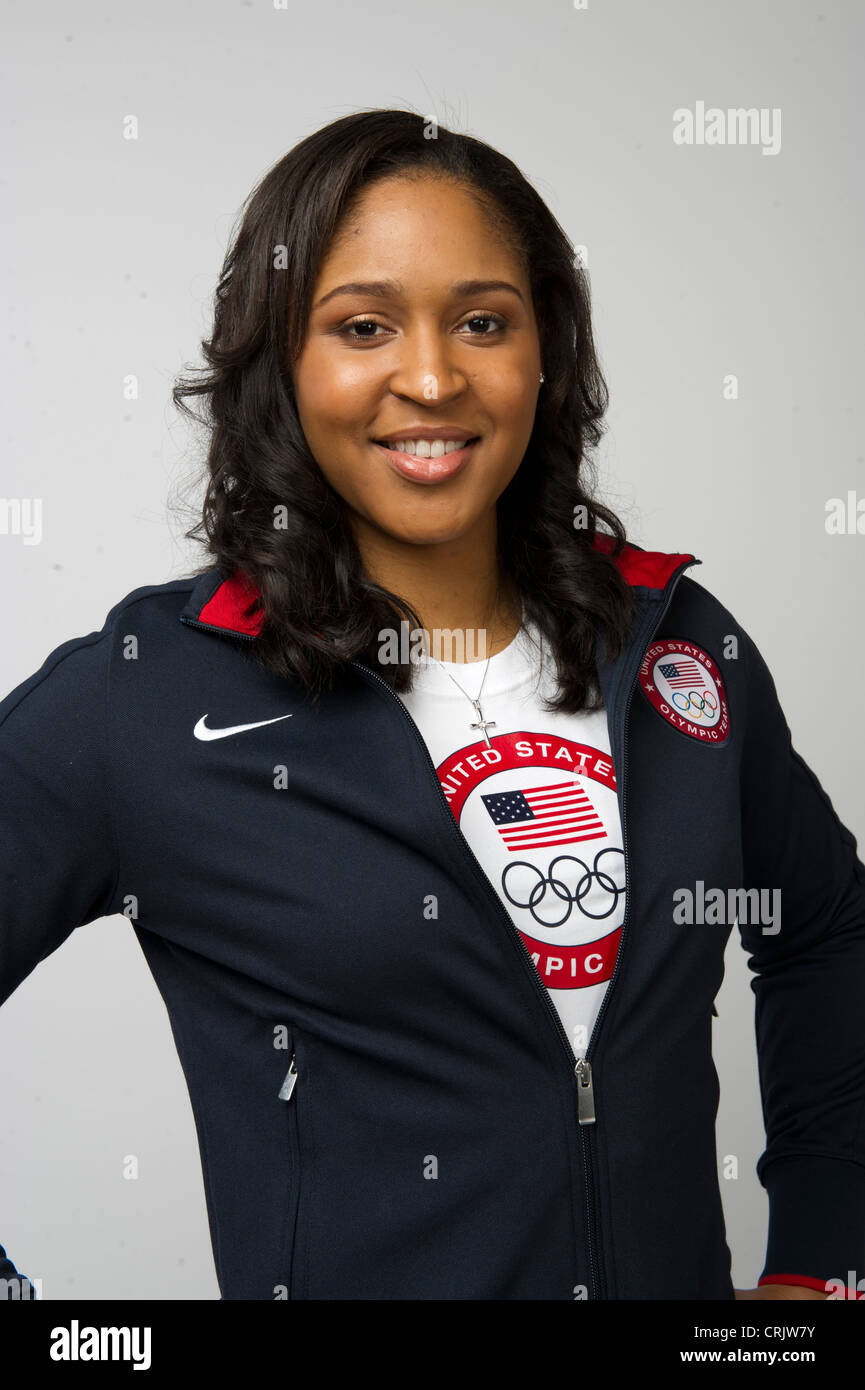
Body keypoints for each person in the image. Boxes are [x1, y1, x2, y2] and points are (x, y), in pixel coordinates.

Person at [2, 108, 863, 1301]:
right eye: (362, 327)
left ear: (543, 348)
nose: (430, 377)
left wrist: (824, 1264)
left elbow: (824, 933)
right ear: (280, 362)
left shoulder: (677, 647)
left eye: (482, 322)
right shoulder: (155, 691)